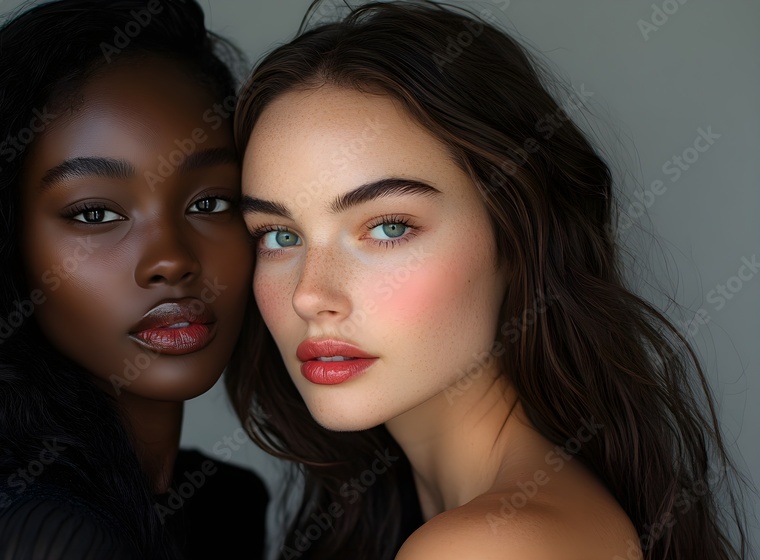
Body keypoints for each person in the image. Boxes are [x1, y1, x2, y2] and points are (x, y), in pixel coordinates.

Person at [226, 2, 751, 559]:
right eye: (280, 236)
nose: (310, 295)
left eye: (388, 227)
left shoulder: (486, 545)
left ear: (518, 236)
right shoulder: (441, 515)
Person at [0, 1, 268, 558]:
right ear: (5, 249)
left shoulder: (223, 505)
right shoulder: (37, 537)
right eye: (95, 213)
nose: (171, 259)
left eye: (211, 201)